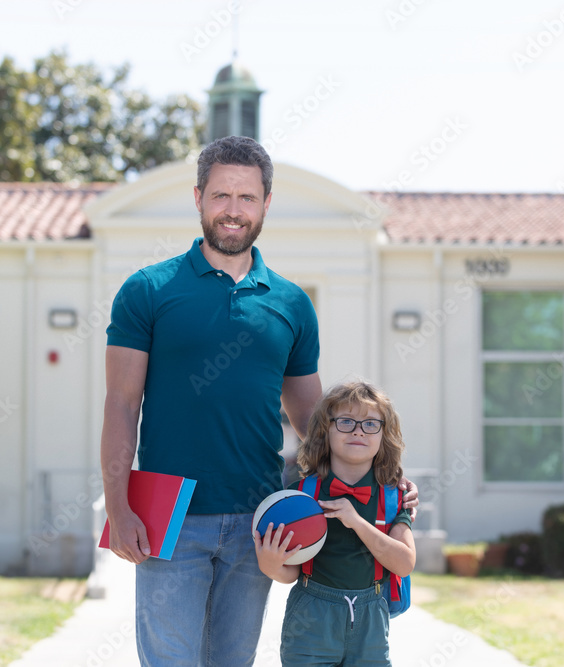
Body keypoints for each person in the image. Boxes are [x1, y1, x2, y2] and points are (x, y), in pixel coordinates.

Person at [99, 135, 417, 666]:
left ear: (266, 203)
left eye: (246, 198)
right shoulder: (148, 290)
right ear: (198, 197)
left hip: (261, 517)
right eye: (221, 195)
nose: (233, 210)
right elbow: (120, 404)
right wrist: (117, 503)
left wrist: (382, 476)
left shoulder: (291, 303)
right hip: (167, 514)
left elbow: (317, 423)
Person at [254, 380, 415, 667]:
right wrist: (269, 563)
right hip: (311, 616)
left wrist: (355, 521)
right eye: (345, 421)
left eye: (370, 424)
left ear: (384, 435)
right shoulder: (301, 496)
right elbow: (291, 573)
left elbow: (403, 564)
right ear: (324, 431)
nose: (357, 430)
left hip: (371, 618)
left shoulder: (394, 497)